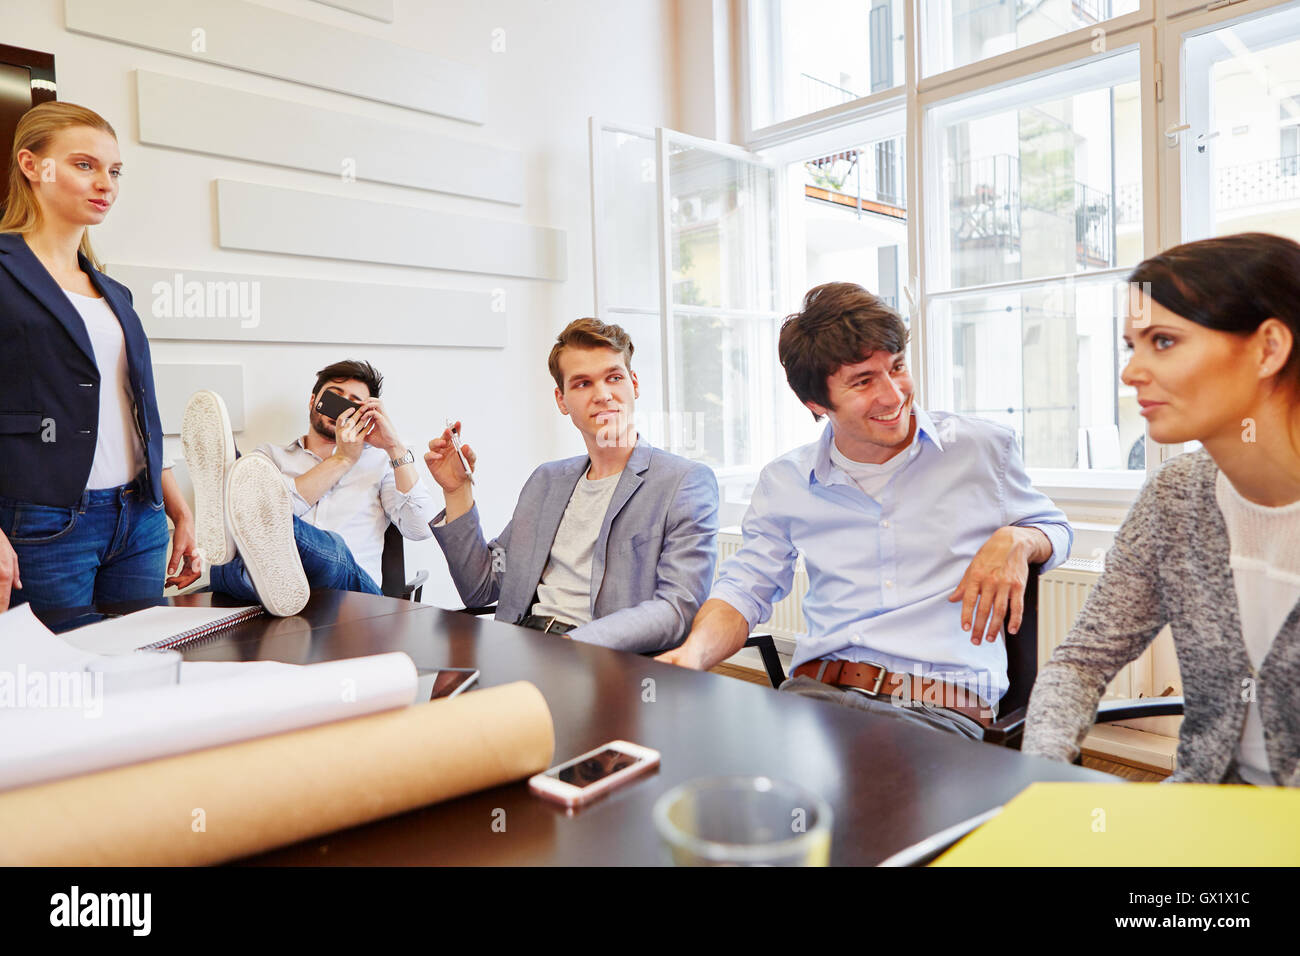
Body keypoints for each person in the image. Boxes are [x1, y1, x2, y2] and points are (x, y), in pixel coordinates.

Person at [656, 282, 1072, 739]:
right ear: (816, 403)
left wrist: (1021, 537)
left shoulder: (980, 449)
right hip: (814, 698)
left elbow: (1053, 527)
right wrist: (693, 655)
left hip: (938, 709)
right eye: (863, 381)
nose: (894, 395)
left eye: (896, 368)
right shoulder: (786, 481)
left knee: (870, 806)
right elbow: (746, 587)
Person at [1024, 233, 1300, 786]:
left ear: (1269, 348)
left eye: (1164, 341)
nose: (1131, 373)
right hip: (1200, 817)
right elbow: (1080, 662)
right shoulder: (1175, 496)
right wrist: (1042, 779)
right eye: (1132, 346)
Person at [0, 102, 200, 613]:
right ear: (32, 166)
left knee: (140, 682)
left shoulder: (115, 293)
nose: (105, 184)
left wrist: (173, 503)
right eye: (84, 165)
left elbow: (135, 405)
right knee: (56, 687)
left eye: (114, 171)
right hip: (42, 522)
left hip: (139, 518)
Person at [424, 317, 719, 653]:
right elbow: (480, 588)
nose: (604, 394)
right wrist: (456, 490)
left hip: (601, 663)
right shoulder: (547, 481)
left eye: (614, 377)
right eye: (582, 384)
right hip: (520, 651)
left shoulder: (683, 482)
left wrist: (570, 645)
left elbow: (677, 608)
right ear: (561, 400)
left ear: (633, 383)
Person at [182, 360, 439, 615]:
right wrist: (341, 461)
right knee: (233, 561)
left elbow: (420, 527)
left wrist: (394, 447)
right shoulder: (269, 457)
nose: (341, 409)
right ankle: (230, 505)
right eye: (335, 398)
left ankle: (227, 499)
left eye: (352, 404)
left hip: (350, 596)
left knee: (327, 547)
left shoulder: (380, 462)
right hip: (270, 589)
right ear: (313, 401)